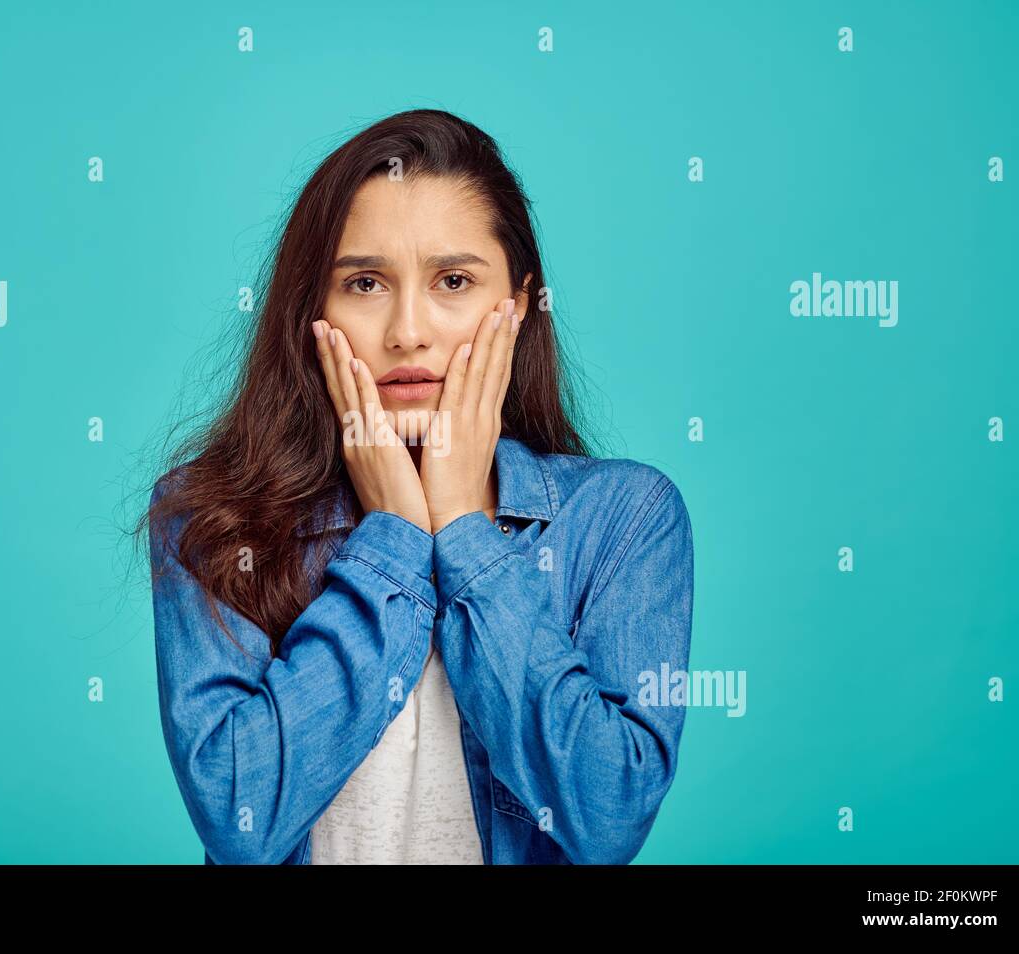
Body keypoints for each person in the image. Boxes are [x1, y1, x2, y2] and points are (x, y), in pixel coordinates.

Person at [145, 108, 694, 864]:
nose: (409, 330)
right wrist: (394, 539)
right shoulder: (210, 519)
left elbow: (607, 819)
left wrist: (465, 528)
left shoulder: (625, 518)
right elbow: (238, 815)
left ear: (521, 305)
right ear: (314, 310)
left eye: (454, 281)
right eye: (365, 282)